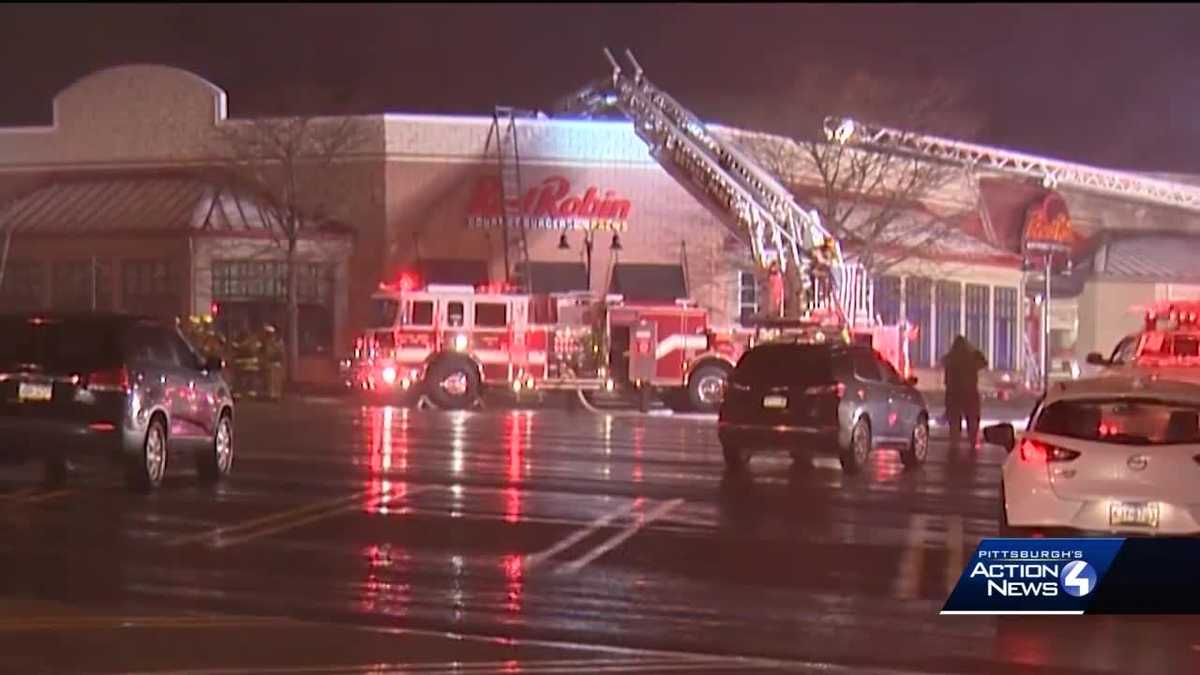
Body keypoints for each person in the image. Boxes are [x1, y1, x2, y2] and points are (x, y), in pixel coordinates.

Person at [942, 335, 988, 452]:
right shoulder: (971, 357)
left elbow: (943, 362)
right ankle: (972, 442)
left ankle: (954, 444)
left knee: (954, 422)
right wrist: (973, 351)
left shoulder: (951, 358)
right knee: (972, 421)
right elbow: (984, 362)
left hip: (953, 394)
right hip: (969, 394)